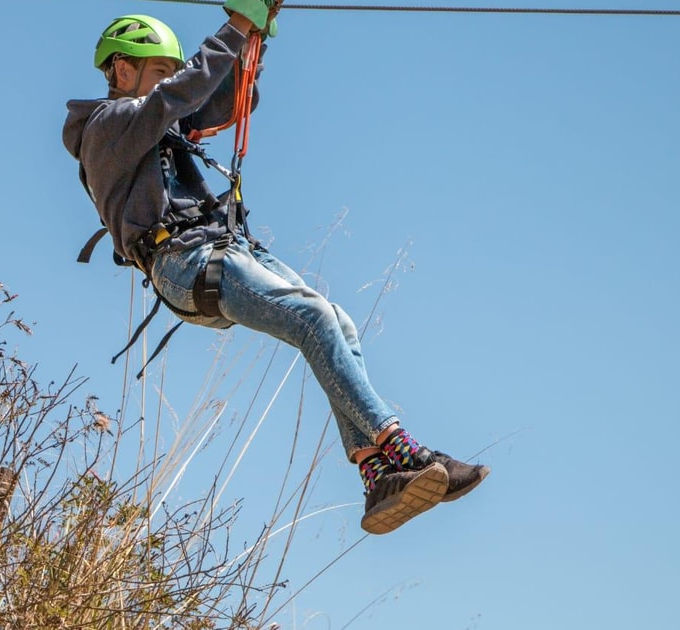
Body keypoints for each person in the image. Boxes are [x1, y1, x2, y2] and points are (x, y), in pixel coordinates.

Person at [62, 3, 488, 535]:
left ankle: (377, 474)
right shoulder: (106, 126)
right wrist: (237, 24)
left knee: (336, 322)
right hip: (184, 260)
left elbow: (220, 97)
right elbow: (184, 92)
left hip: (222, 246)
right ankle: (399, 446)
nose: (167, 82)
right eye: (158, 71)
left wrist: (254, 40)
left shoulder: (154, 117)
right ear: (122, 71)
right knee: (310, 317)